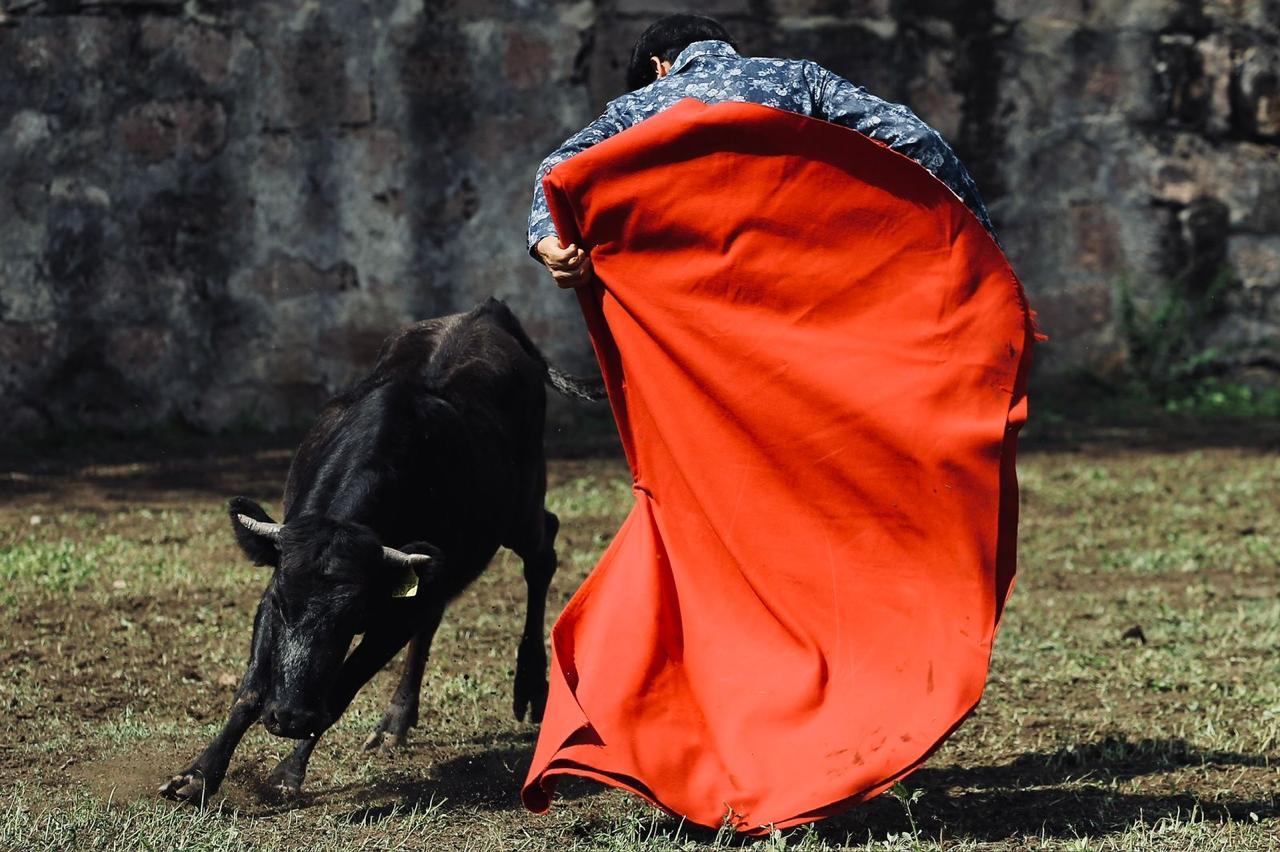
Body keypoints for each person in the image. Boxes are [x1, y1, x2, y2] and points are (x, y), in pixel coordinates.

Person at [529, 13, 994, 288]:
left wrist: (551, 245)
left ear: (658, 67)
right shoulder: (800, 78)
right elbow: (915, 139)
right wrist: (981, 244)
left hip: (699, 300)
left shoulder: (636, 107)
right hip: (814, 283)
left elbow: (558, 169)